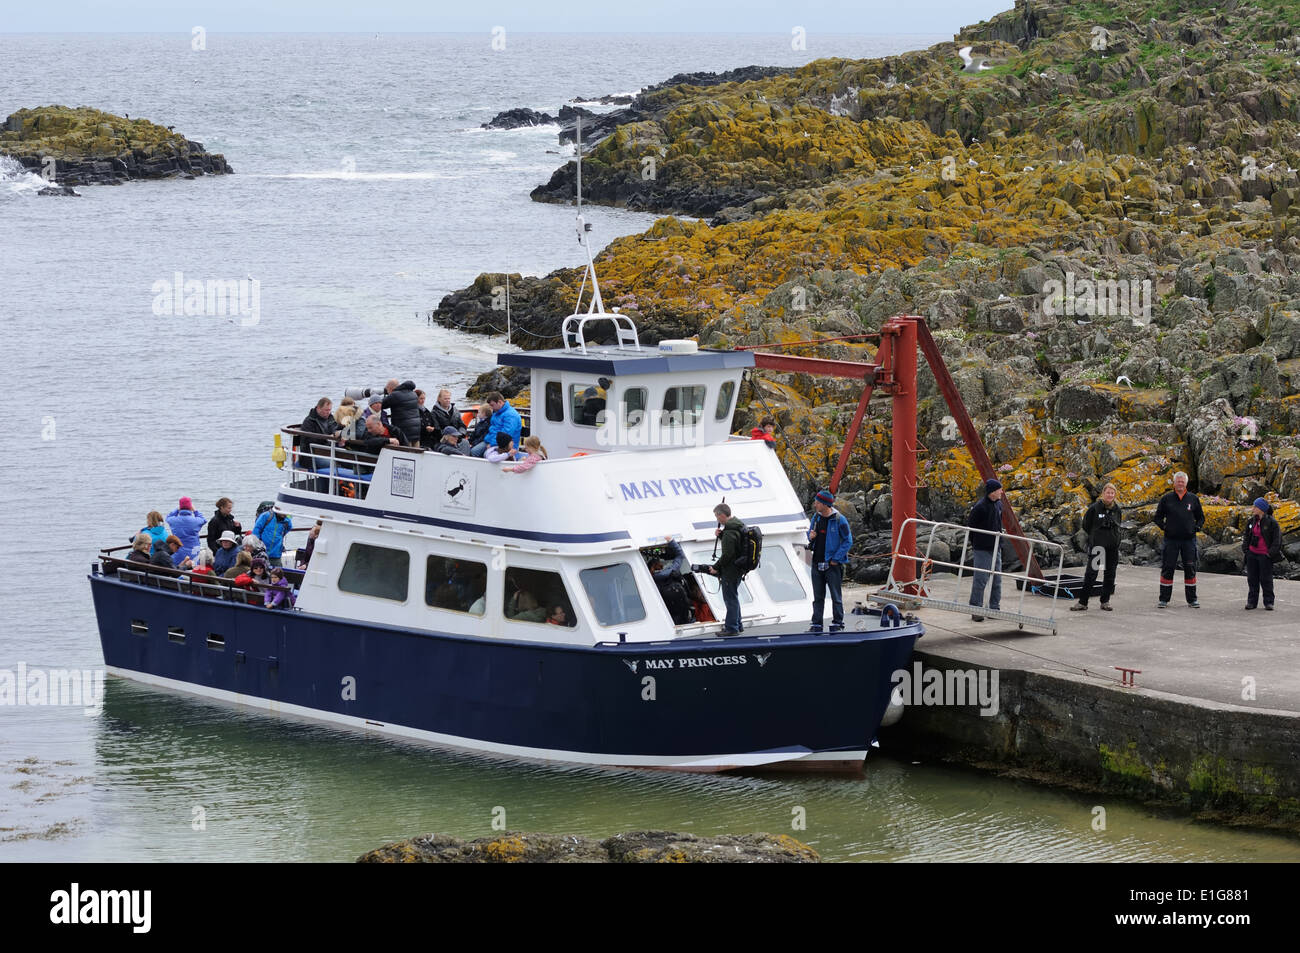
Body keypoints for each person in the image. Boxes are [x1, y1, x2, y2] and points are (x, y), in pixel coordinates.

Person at [1153, 471, 1204, 608]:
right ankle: (1164, 599)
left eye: (1182, 481)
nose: (1180, 483)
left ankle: (1192, 600)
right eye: (1178, 481)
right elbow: (1157, 517)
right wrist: (1165, 527)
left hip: (1189, 540)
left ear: (1186, 483)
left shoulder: (1193, 499)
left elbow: (1201, 517)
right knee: (1168, 568)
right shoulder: (1166, 499)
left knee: (1190, 568)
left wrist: (1197, 528)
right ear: (1174, 483)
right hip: (1171, 540)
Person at [1072, 483, 1122, 612]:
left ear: (1115, 495)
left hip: (1112, 548)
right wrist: (1096, 537)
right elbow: (1086, 525)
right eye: (1108, 492)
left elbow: (1119, 525)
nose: (1110, 495)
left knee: (1110, 575)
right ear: (1103, 493)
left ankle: (1105, 601)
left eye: (1112, 493)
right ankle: (1083, 602)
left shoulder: (1117, 509)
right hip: (1098, 548)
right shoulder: (1095, 508)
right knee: (1091, 574)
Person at [808, 489, 852, 632]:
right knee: (818, 596)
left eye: (818, 502)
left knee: (836, 596)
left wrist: (835, 559)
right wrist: (811, 536)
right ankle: (816, 624)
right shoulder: (816, 517)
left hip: (832, 565)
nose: (815, 504)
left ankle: (838, 623)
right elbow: (810, 534)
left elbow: (848, 541)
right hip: (816, 562)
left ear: (825, 504)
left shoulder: (840, 519)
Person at [967, 478, 1004, 621]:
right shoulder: (980, 507)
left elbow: (999, 524)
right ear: (993, 492)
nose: (1002, 492)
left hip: (996, 547)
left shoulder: (999, 504)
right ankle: (976, 608)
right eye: (999, 489)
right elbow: (971, 527)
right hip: (982, 548)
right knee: (981, 579)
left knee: (997, 579)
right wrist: (977, 544)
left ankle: (994, 608)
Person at [706, 503, 746, 633]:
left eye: (717, 517)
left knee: (730, 599)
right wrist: (722, 536)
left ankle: (731, 628)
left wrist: (716, 567)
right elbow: (736, 545)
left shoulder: (729, 531)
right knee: (734, 596)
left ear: (722, 515)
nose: (717, 520)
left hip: (731, 571)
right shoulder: (738, 526)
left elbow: (728, 554)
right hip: (739, 568)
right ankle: (737, 624)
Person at [1242, 497, 1281, 610]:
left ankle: (1269, 602)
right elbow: (1246, 536)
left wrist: (1269, 553)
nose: (1253, 509)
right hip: (1252, 554)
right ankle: (1251, 602)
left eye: (1255, 507)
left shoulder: (1272, 522)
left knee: (1266, 579)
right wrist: (1246, 550)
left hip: (1265, 555)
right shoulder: (1251, 521)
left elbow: (1277, 540)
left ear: (1261, 509)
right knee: (1252, 579)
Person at [648, 538, 693, 625]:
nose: (662, 564)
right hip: (683, 609)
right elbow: (680, 555)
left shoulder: (651, 579)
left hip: (670, 613)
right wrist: (671, 541)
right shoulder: (672, 570)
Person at [470, 392, 522, 457]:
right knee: (473, 451)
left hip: (505, 445)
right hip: (491, 440)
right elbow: (492, 429)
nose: (491, 408)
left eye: (492, 405)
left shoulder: (510, 415)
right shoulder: (496, 412)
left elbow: (506, 435)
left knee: (484, 454)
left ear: (499, 402)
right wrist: (488, 440)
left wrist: (492, 444)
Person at [381, 379, 423, 447]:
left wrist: (386, 395)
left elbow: (381, 404)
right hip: (416, 430)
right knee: (416, 452)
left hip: (404, 432)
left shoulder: (395, 395)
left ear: (391, 389)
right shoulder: (413, 393)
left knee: (406, 453)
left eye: (387, 390)